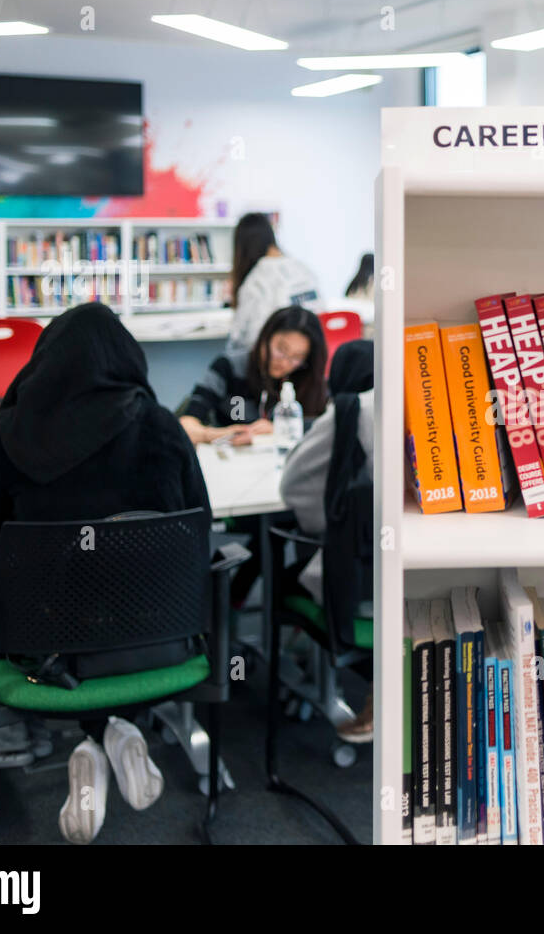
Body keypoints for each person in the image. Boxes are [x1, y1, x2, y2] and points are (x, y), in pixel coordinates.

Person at [0, 302, 212, 844]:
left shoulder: (17, 433)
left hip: (45, 652)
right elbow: (200, 529)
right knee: (113, 603)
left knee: (0, 582)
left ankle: (89, 740)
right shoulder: (162, 426)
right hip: (158, 637)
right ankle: (111, 730)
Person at [279, 339, 375, 743]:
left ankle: (291, 677)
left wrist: (333, 524)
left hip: (360, 595)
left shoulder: (352, 411)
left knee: (282, 575)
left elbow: (294, 488)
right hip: (422, 588)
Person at [179, 305, 329, 447]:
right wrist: (217, 434)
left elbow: (330, 424)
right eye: (281, 349)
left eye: (297, 357)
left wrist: (280, 428)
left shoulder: (307, 377)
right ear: (265, 337)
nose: (284, 362)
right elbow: (186, 424)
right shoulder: (228, 367)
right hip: (230, 458)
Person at [226, 212, 321, 356]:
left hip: (276, 361)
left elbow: (241, 339)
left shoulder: (256, 281)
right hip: (308, 357)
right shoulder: (303, 269)